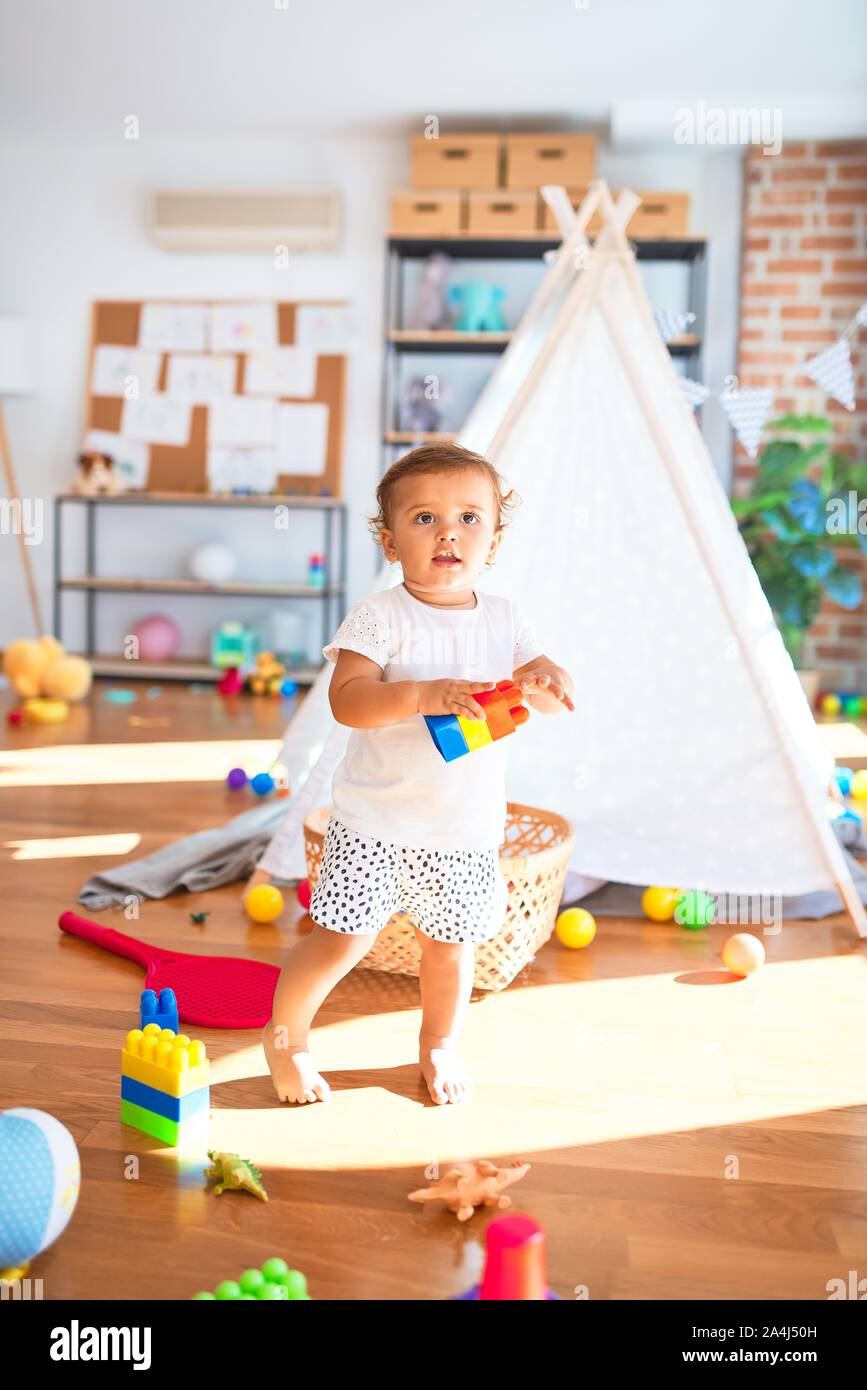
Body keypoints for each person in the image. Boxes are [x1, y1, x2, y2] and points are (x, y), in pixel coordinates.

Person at [261, 442, 574, 1105]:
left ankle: (438, 1043)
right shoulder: (380, 617)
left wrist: (547, 680)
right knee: (339, 940)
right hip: (374, 823)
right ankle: (285, 1038)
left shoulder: (504, 618)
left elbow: (539, 685)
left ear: (493, 538)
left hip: (463, 830)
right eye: (424, 519)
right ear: (388, 540)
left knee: (450, 947)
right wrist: (420, 694)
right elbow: (348, 701)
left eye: (468, 518)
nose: (448, 534)